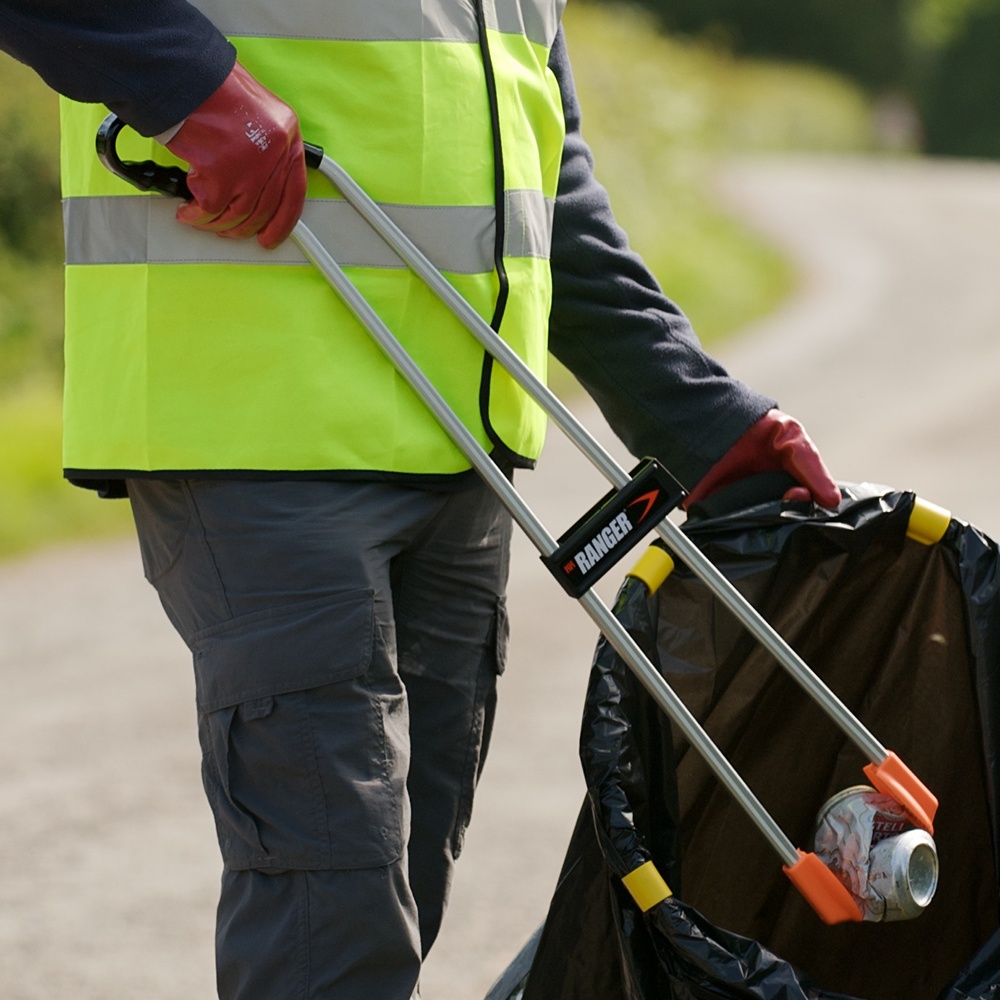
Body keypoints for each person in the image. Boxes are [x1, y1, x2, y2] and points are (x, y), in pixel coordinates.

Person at [1, 3, 840, 998]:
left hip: (460, 448)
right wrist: (183, 83)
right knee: (336, 906)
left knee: (402, 879)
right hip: (253, 412)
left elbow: (535, 171)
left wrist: (697, 415)